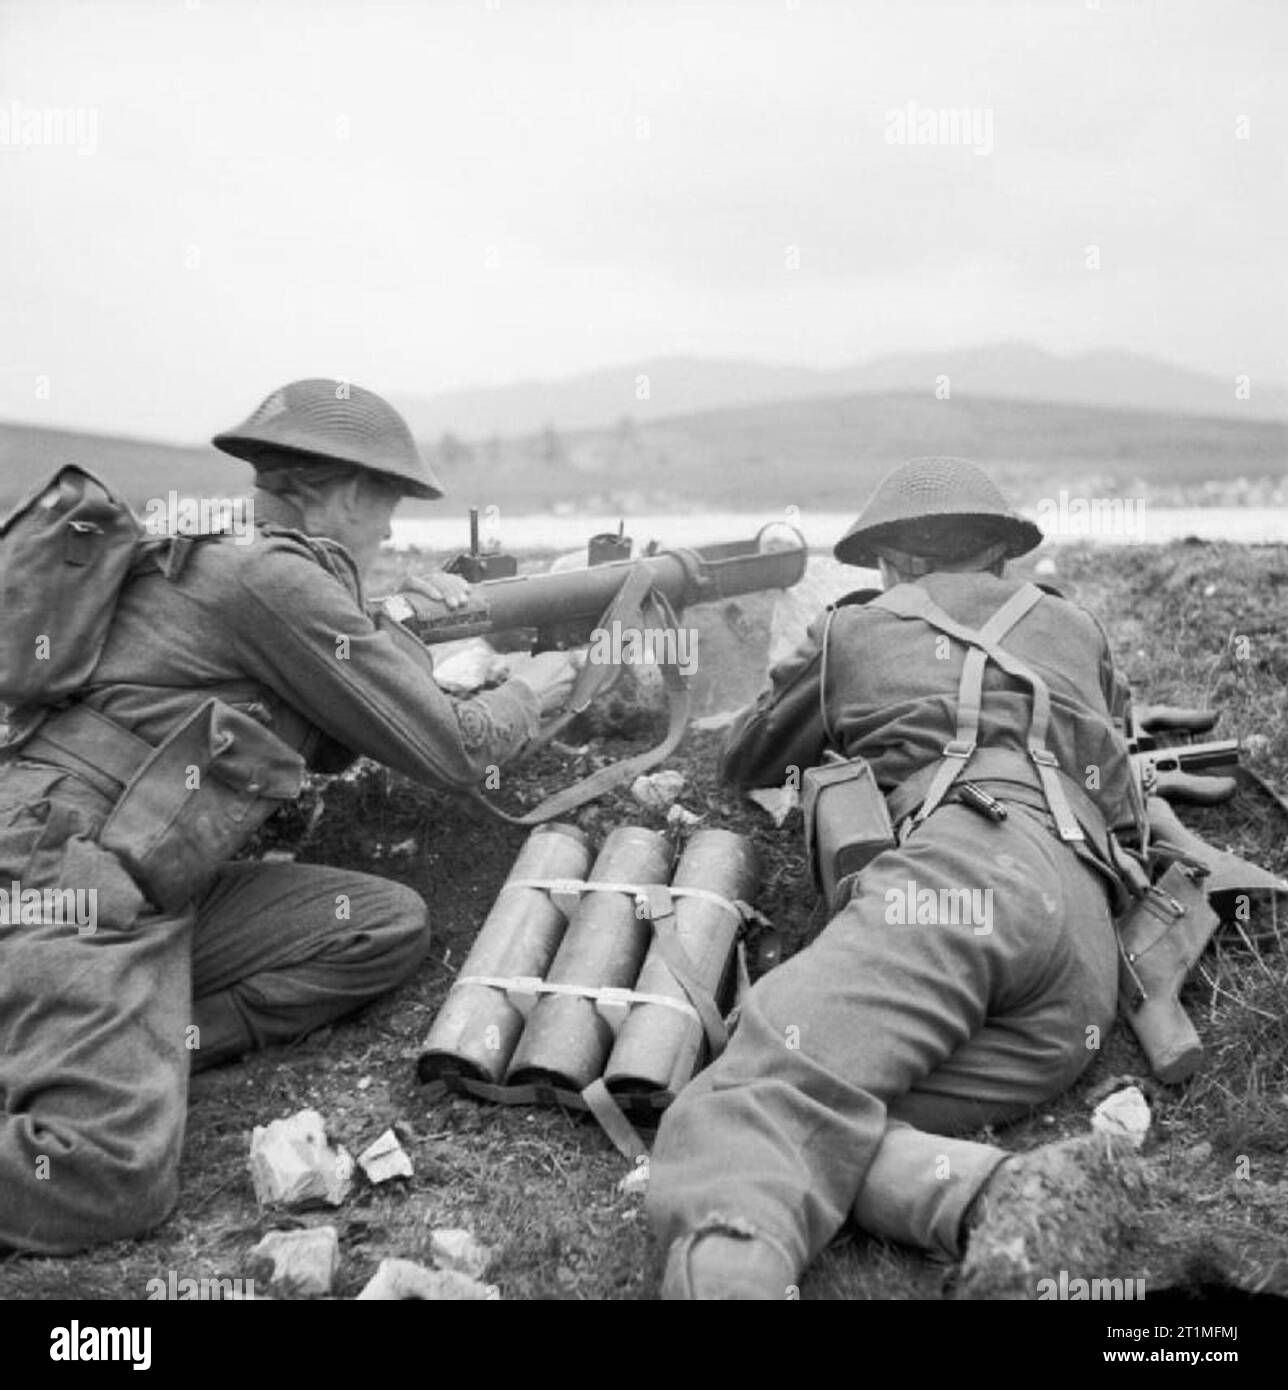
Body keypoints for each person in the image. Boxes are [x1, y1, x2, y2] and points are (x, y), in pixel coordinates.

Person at [0, 377, 576, 1255]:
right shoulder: (271, 578)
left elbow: (330, 729)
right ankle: (81, 1065)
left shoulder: (231, 557)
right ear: (342, 489)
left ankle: (117, 1043)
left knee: (378, 927)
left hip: (137, 866)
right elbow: (454, 751)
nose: (388, 528)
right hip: (67, 875)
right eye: (385, 502)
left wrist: (403, 629)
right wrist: (531, 697)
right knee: (100, 1180)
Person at [646, 455, 1148, 1299]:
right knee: (830, 1116)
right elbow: (1118, 745)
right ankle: (1002, 1200)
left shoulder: (858, 627)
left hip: (961, 878)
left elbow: (750, 756)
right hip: (1082, 965)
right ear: (999, 555)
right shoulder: (1074, 624)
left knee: (745, 1103)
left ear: (897, 564)